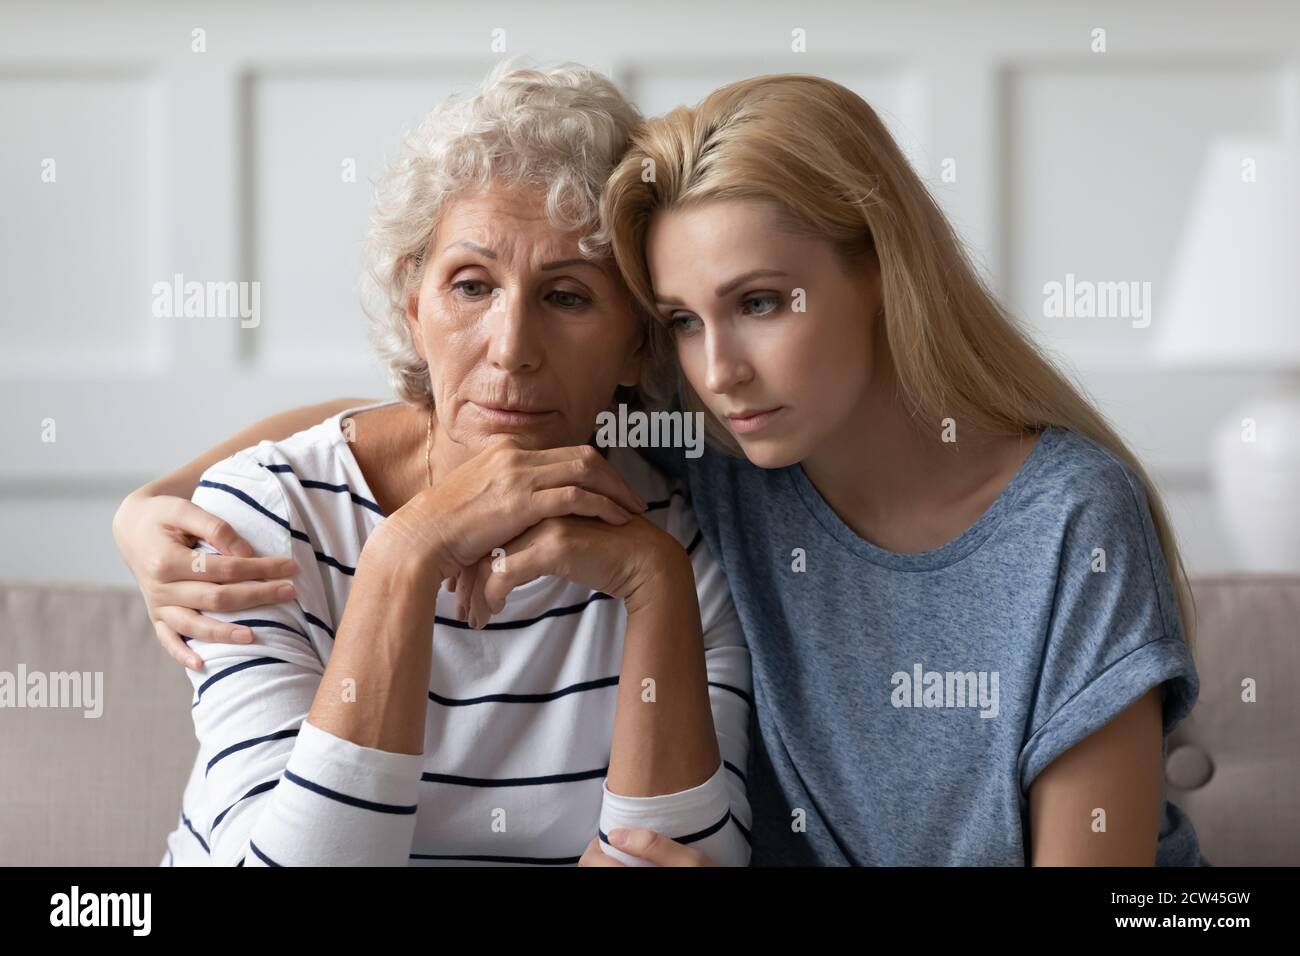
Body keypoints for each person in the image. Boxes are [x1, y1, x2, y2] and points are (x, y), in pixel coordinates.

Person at [118, 70, 1202, 867]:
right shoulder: (727, 446)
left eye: (763, 300)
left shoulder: (1050, 516)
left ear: (884, 271)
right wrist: (153, 506)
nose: (719, 364)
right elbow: (452, 414)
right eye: (682, 318)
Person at [131, 61, 752, 867]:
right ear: (410, 305)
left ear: (637, 341)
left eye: (567, 296)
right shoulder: (267, 520)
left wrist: (654, 582)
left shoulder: (681, 546)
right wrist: (405, 554)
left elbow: (684, 860)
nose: (512, 349)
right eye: (471, 285)